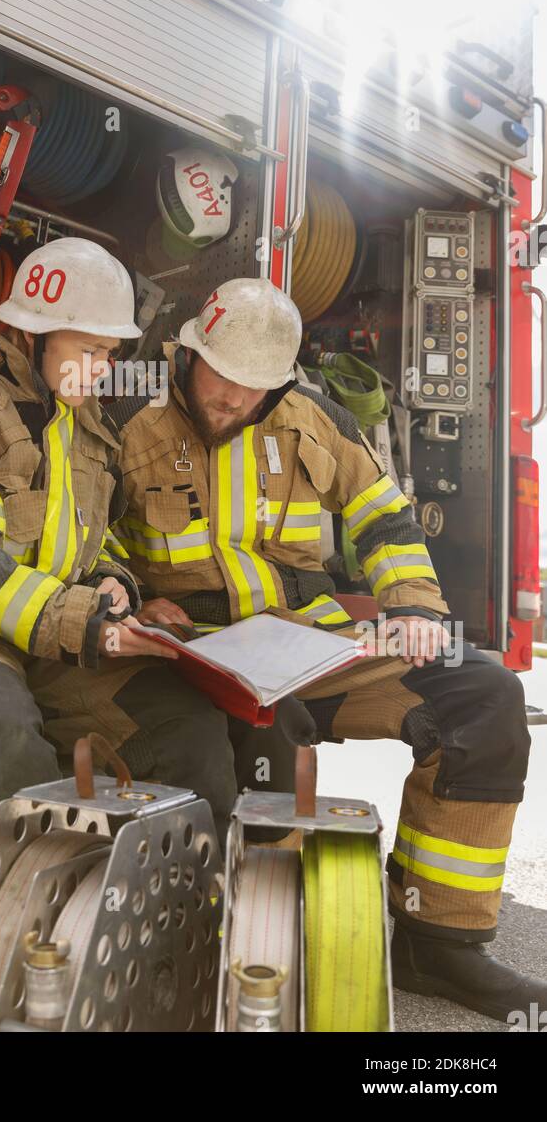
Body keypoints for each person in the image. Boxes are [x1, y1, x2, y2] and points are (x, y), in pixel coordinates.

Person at [0, 242, 290, 1018]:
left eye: (110, 351)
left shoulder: (87, 431)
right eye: (88, 349)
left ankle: (178, 956)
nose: (101, 367)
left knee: (188, 730)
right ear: (33, 335)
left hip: (49, 635)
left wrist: (120, 596)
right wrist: (87, 626)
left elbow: (104, 545)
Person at [108, 275, 545, 1023]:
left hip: (305, 644)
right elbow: (82, 530)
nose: (235, 401)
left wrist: (412, 608)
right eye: (223, 378)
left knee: (483, 698)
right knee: (265, 746)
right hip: (191, 654)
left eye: (256, 388)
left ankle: (438, 941)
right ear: (188, 353)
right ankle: (248, 948)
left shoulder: (315, 416)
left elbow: (383, 516)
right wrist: (128, 588)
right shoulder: (123, 412)